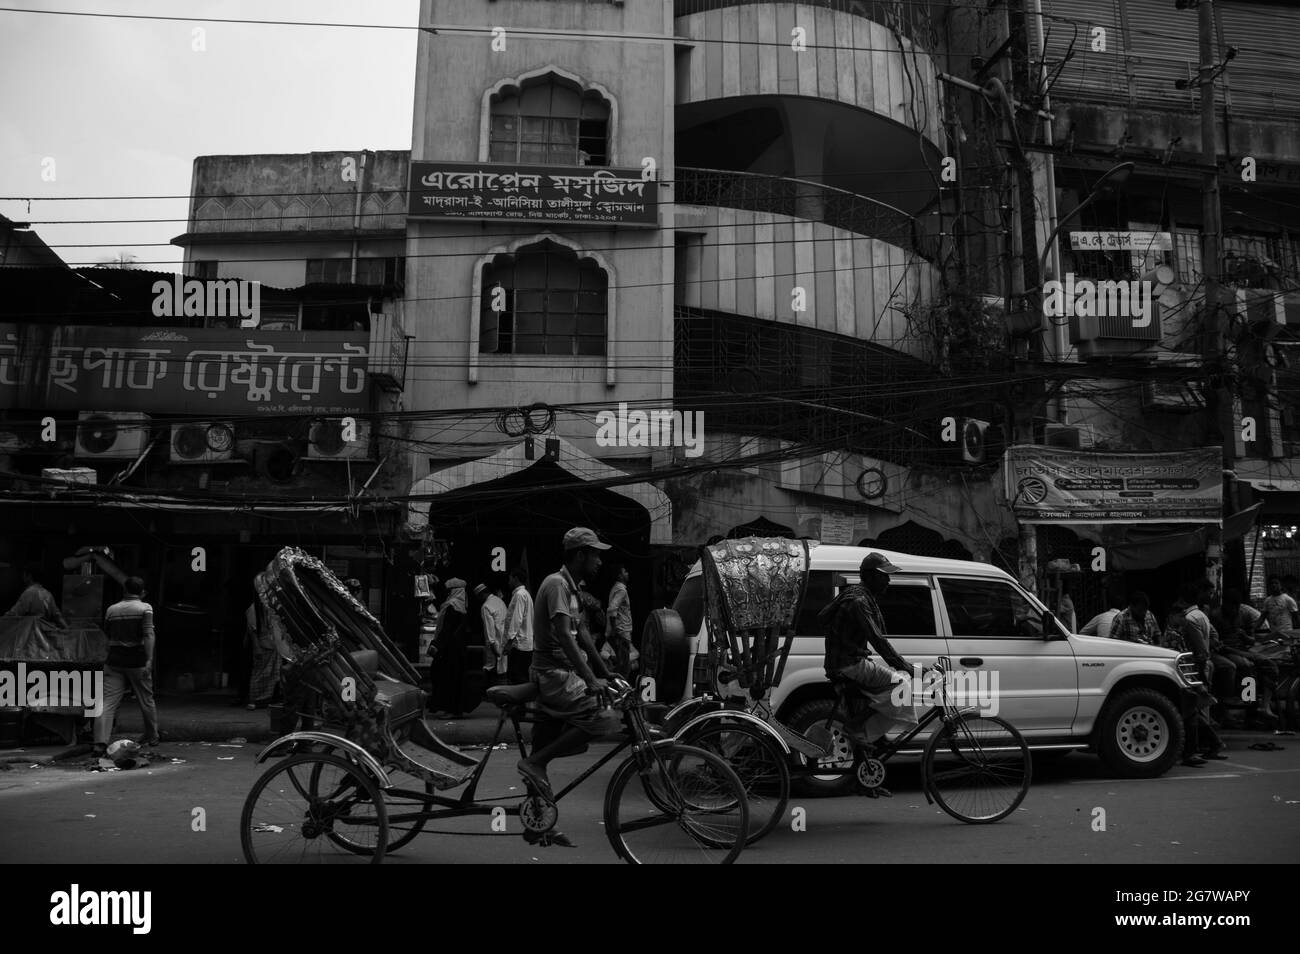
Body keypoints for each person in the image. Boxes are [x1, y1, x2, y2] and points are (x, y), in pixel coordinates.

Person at [516, 527, 620, 800]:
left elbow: (582, 633)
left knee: (545, 738)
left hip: (564, 674)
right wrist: (590, 679)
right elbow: (564, 633)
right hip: (553, 674)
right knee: (604, 717)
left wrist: (604, 671)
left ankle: (537, 812)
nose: (599, 562)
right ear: (580, 555)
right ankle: (536, 763)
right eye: (595, 556)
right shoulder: (557, 585)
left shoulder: (572, 588)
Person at [817, 552, 917, 782]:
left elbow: (823, 617)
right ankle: (856, 727)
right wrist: (905, 667)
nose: (888, 582)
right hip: (849, 665)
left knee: (886, 685)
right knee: (900, 685)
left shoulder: (852, 594)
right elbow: (878, 640)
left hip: (844, 662)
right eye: (884, 576)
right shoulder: (859, 601)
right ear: (870, 577)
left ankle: (869, 751)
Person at [93, 576, 160, 752]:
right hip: (137, 660)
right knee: (145, 699)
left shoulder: (111, 610)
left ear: (124, 591)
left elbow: (107, 632)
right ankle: (152, 736)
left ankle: (100, 742)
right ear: (143, 592)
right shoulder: (145, 608)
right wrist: (149, 659)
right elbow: (148, 634)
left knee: (107, 703)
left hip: (114, 660)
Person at [1164, 600, 1226, 764]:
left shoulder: (1177, 633)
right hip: (1183, 677)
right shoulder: (1173, 636)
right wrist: (1197, 684)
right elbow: (1183, 662)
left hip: (1185, 677)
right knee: (1192, 714)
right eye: (1181, 616)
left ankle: (1206, 747)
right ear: (1172, 617)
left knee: (1193, 714)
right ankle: (1203, 748)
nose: (1184, 618)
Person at [1218, 588, 1281, 726]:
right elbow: (1216, 644)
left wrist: (1245, 637)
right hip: (1227, 651)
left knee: (1270, 665)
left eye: (1237, 605)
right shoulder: (1216, 616)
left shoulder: (1244, 614)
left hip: (1244, 650)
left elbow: (1252, 640)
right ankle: (1250, 708)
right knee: (1247, 667)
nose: (1234, 609)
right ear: (1225, 604)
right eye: (1231, 605)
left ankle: (1264, 706)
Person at [427, 578, 469, 718]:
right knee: (455, 679)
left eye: (449, 590)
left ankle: (451, 710)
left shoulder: (451, 606)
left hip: (449, 650)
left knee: (446, 678)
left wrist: (436, 645)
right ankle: (453, 709)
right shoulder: (462, 606)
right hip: (458, 649)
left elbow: (446, 630)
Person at [244, 597, 280, 710]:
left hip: (273, 645)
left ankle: (265, 700)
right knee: (259, 674)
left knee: (273, 675)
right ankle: (253, 700)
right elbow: (253, 631)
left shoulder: (269, 605)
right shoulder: (253, 609)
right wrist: (257, 647)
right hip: (262, 645)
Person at [5, 563, 67, 628]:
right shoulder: (48, 594)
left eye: (24, 574)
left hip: (31, 633)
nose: (22, 577)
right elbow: (57, 616)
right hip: (45, 633)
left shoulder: (29, 593)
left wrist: (2, 620)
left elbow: (14, 614)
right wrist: (67, 630)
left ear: (29, 576)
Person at [504, 568, 534, 685]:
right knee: (521, 677)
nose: (508, 582)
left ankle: (519, 703)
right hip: (524, 643)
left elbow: (516, 619)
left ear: (516, 579)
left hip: (519, 644)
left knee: (518, 678)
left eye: (510, 579)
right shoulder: (525, 594)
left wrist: (509, 642)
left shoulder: (520, 595)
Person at [604, 564, 635, 679]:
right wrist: (614, 629)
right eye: (624, 572)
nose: (627, 573)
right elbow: (612, 609)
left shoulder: (616, 588)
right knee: (624, 666)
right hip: (621, 632)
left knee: (622, 664)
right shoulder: (621, 590)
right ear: (620, 576)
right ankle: (620, 691)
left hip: (619, 632)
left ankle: (617, 689)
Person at [475, 581, 509, 685]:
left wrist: (494, 648)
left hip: (494, 646)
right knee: (503, 670)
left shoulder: (486, 606)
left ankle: (487, 695)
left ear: (482, 594)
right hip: (504, 642)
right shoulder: (500, 601)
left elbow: (489, 631)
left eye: (478, 597)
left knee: (490, 668)